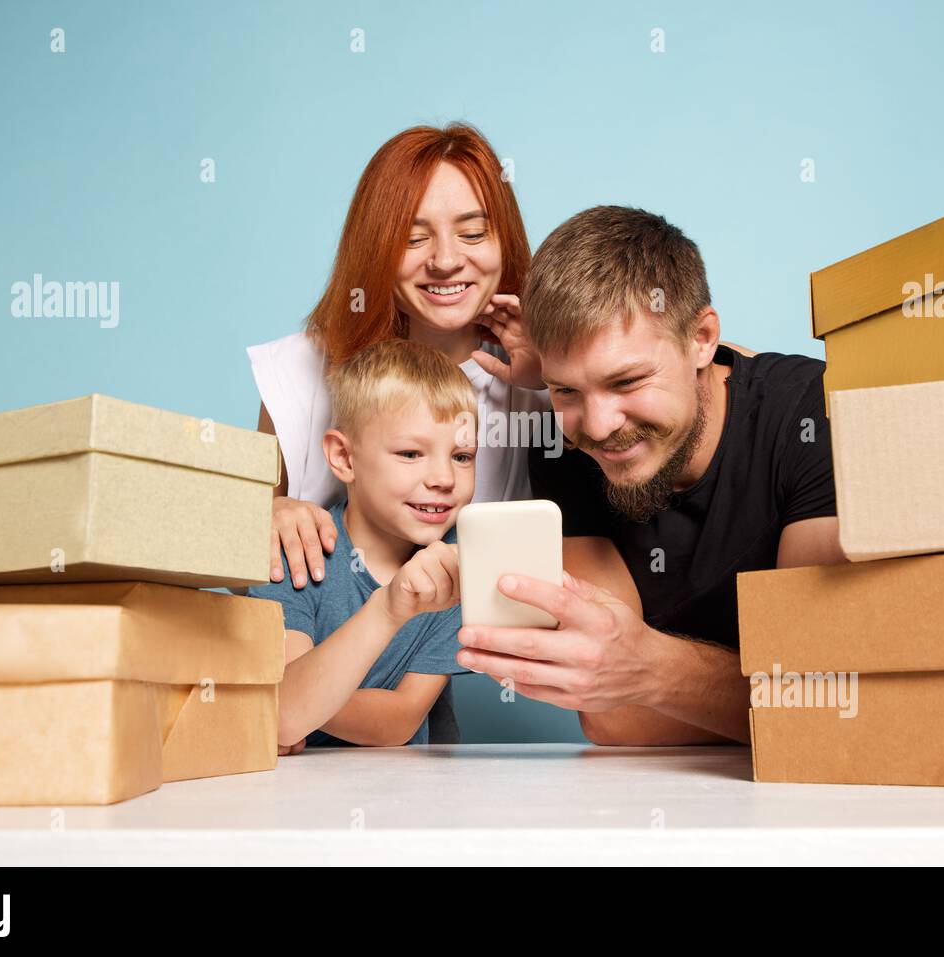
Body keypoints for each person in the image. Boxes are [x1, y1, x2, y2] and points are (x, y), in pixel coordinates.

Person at [455, 205, 848, 745]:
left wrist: (648, 669)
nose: (598, 426)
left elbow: (822, 698)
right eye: (566, 389)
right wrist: (752, 691)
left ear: (702, 339)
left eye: (626, 382)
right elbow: (612, 715)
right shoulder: (561, 446)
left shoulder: (812, 414)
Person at [244, 123, 549, 743]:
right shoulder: (301, 372)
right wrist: (258, 514)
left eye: (473, 233)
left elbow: (680, 367)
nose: (446, 259)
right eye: (413, 238)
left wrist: (558, 372)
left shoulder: (549, 380)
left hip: (409, 751)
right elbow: (231, 562)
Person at [248, 340, 475, 753]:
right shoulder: (294, 548)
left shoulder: (457, 566)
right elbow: (283, 717)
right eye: (411, 453)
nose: (444, 478)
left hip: (404, 785)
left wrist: (297, 698)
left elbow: (398, 722)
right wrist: (388, 608)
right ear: (344, 458)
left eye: (462, 456)